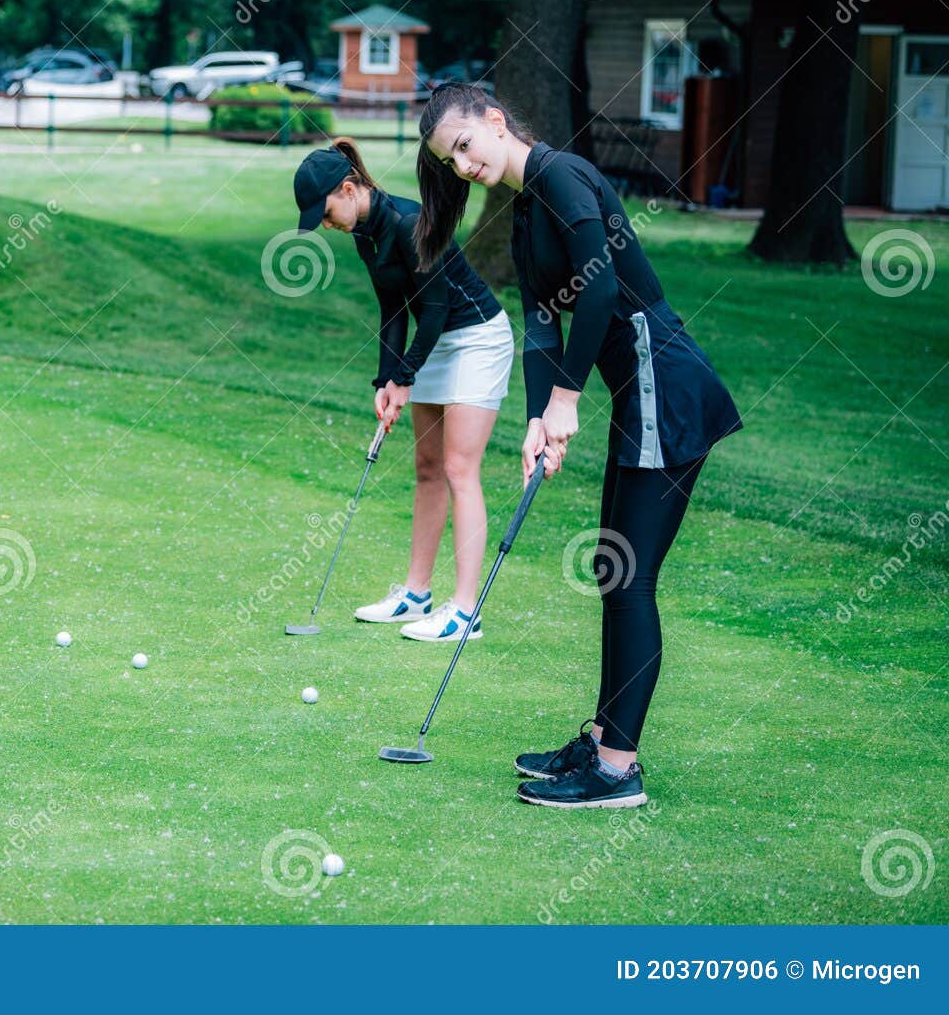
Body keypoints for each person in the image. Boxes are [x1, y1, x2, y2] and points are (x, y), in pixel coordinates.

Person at [415, 82, 742, 807]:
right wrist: (537, 417)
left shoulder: (560, 174)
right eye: (450, 160)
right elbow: (541, 325)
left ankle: (617, 769)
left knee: (629, 579)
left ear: (497, 120)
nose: (463, 165)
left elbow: (597, 292)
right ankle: (603, 736)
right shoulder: (527, 206)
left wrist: (567, 400)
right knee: (612, 567)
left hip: (664, 379)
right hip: (640, 393)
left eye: (464, 145)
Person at [293, 138, 513, 642]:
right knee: (428, 468)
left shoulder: (410, 224)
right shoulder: (366, 235)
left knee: (460, 469)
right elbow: (394, 309)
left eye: (326, 213)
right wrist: (385, 378)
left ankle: (465, 609)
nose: (326, 224)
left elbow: (434, 310)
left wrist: (405, 375)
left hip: (477, 338)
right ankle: (416, 594)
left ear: (348, 189)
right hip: (433, 342)